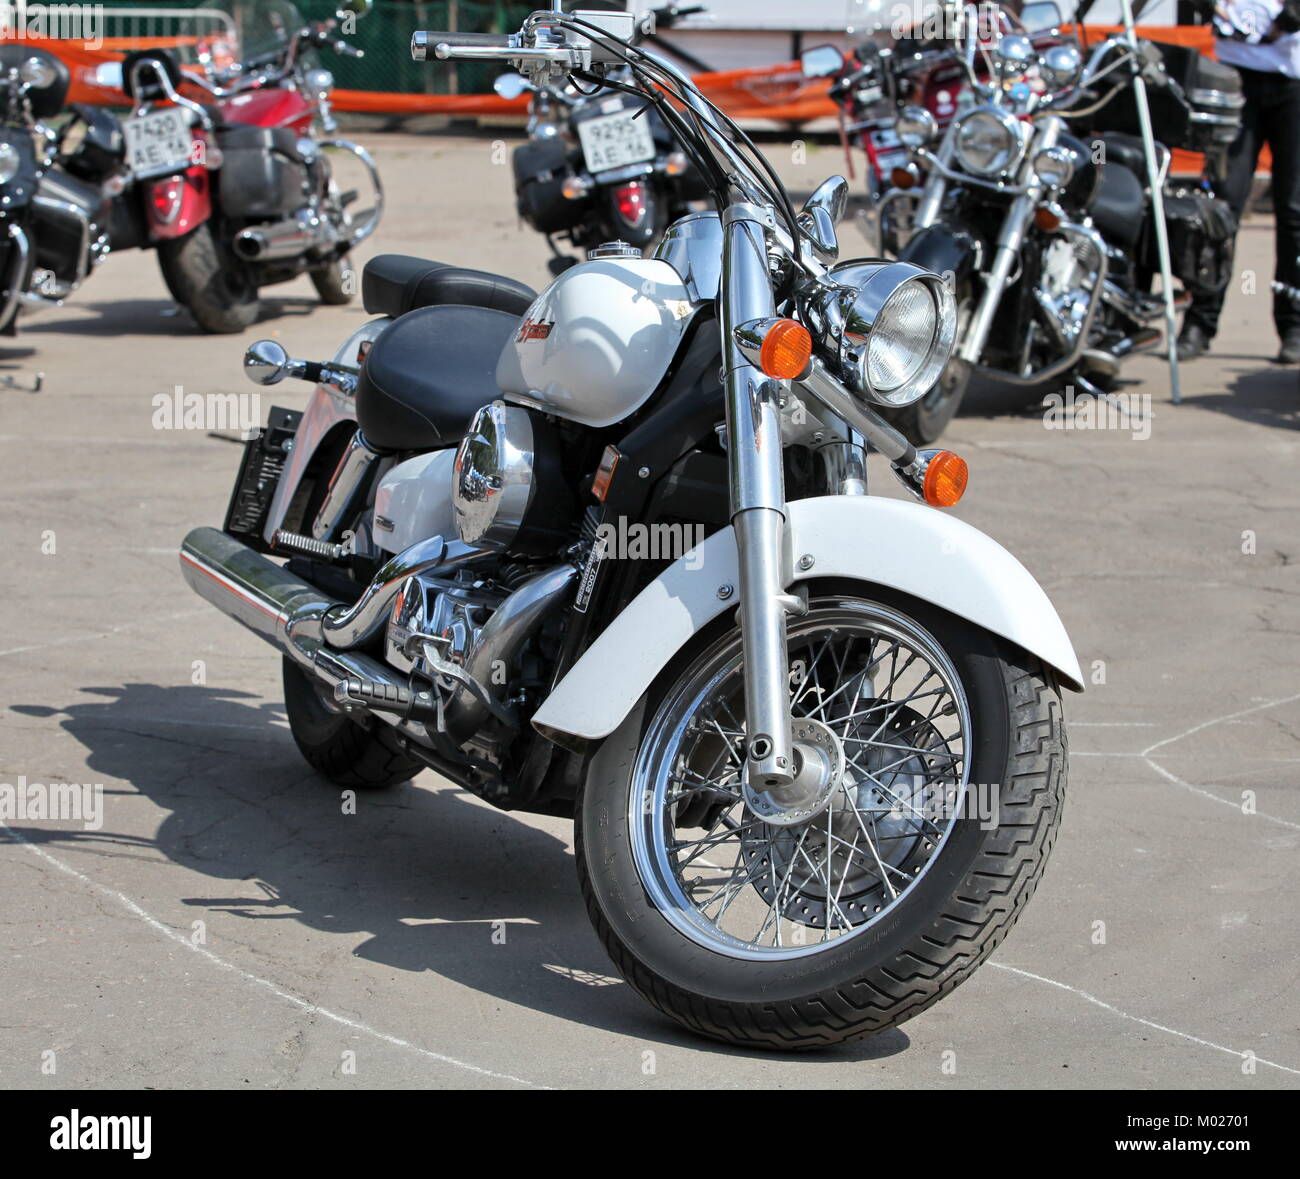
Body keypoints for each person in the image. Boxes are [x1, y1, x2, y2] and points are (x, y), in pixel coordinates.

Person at [1178, 0, 1300, 363]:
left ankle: (1294, 324)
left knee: (1294, 211)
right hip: (1235, 77)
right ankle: (1200, 321)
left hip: (1293, 81)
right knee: (1222, 207)